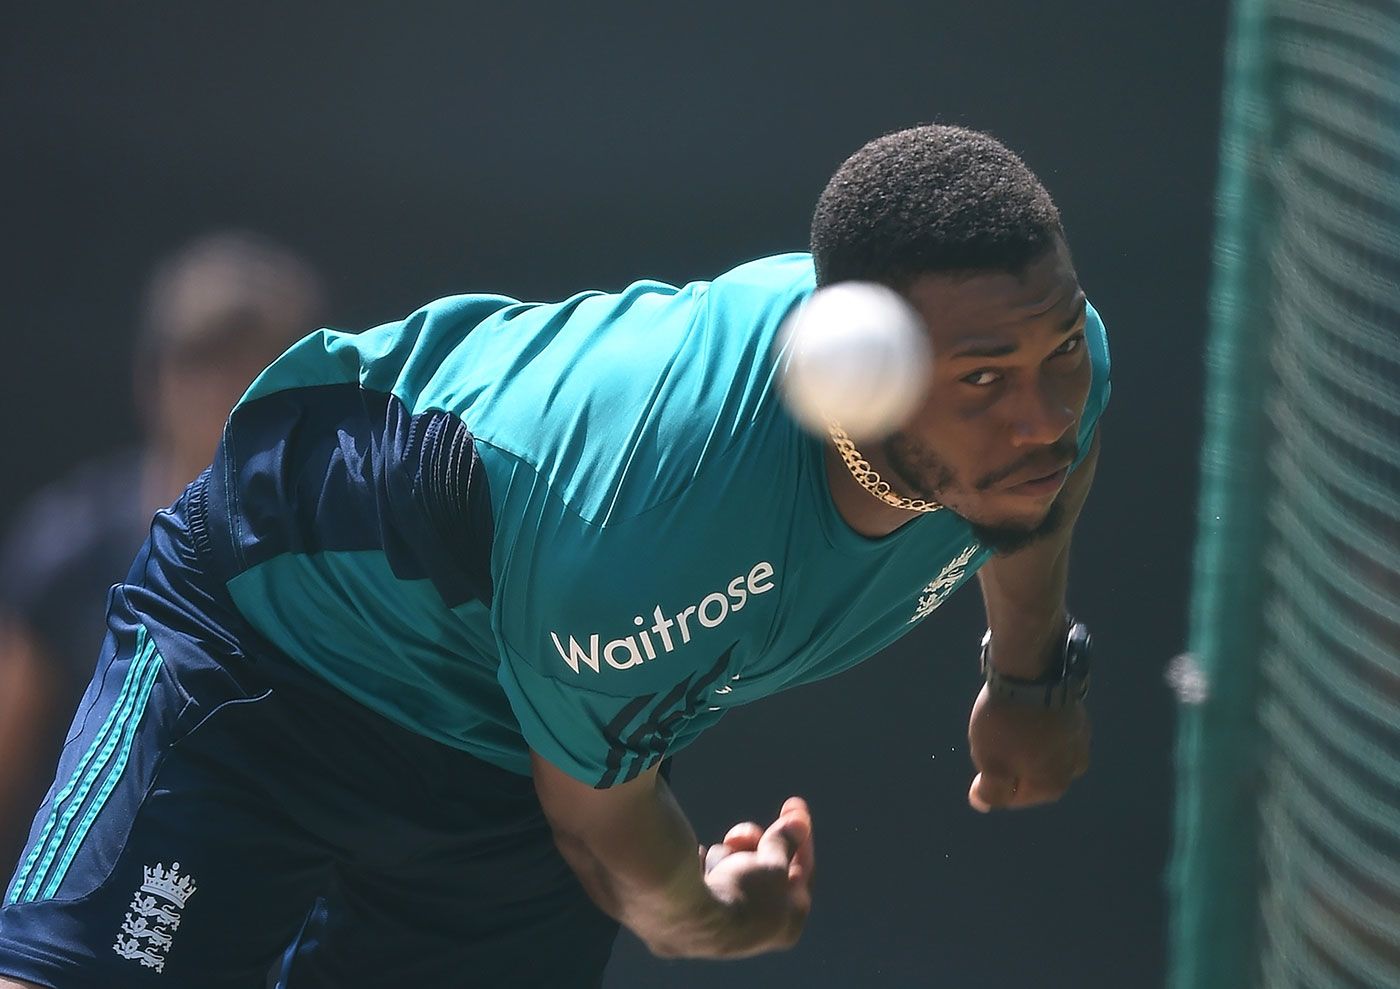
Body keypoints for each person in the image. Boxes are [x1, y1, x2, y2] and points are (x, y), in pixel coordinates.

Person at [0, 124, 1109, 988]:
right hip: (273, 651)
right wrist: (715, 911)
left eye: (1057, 347)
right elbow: (613, 843)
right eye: (981, 377)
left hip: (512, 749)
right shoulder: (649, 533)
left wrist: (1027, 669)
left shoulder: (1052, 369)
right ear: (865, 368)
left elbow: (1047, 474)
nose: (1042, 415)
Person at [0, 232, 325, 875]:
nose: (223, 392)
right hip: (77, 906)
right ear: (153, 376)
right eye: (201, 360)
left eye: (255, 367)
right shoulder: (70, 541)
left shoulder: (331, 560)